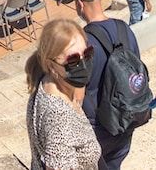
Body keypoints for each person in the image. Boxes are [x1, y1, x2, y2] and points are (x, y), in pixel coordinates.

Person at [71, 0, 147, 170]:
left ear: (80, 4)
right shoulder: (124, 29)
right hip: (127, 120)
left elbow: (76, 91)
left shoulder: (83, 42)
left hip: (99, 127)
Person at [24, 17, 102, 170]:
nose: (84, 65)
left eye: (87, 54)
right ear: (51, 65)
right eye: (72, 61)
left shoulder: (48, 82)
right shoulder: (59, 117)